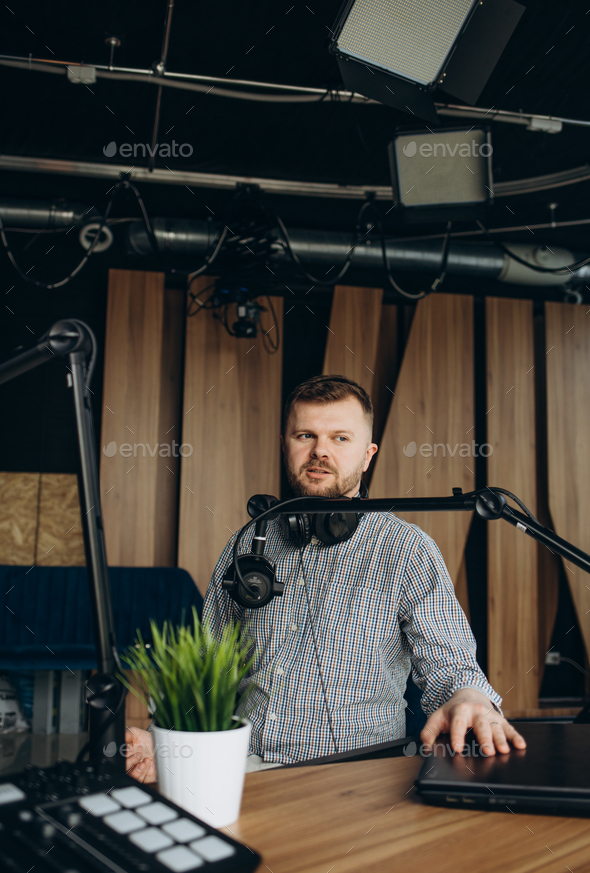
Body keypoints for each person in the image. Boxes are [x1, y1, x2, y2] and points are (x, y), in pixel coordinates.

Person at [125, 374, 525, 780]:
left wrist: (470, 696)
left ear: (367, 455)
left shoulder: (407, 549)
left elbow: (451, 663)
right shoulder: (248, 543)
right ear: (285, 444)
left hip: (357, 780)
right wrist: (172, 742)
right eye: (305, 435)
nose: (320, 451)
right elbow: (207, 666)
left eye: (340, 438)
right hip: (242, 769)